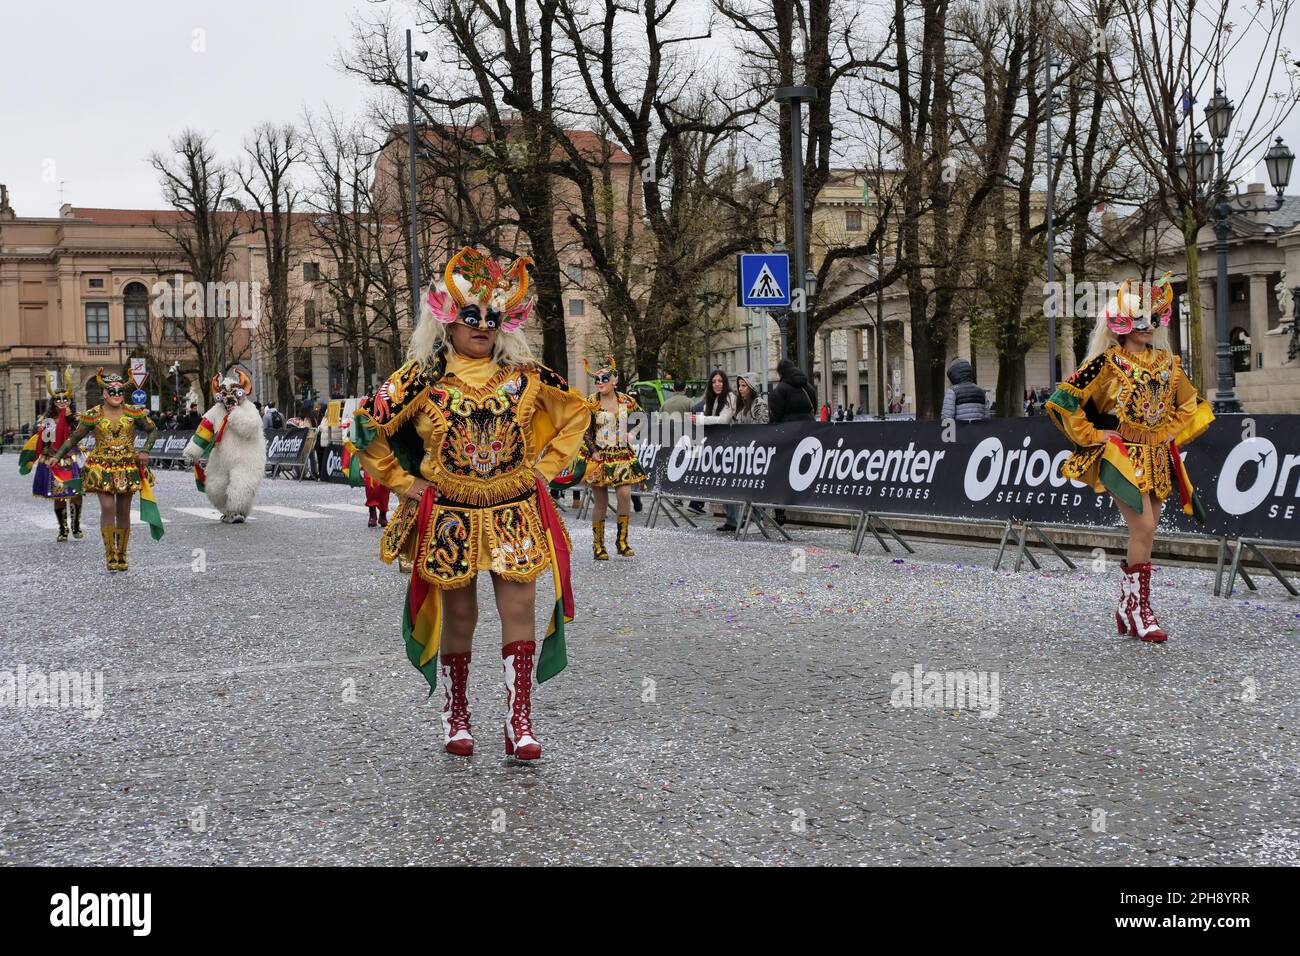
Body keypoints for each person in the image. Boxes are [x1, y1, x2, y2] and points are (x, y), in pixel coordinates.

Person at [353, 247, 591, 760]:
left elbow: (577, 415)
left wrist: (543, 472)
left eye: (491, 318)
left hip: (513, 508)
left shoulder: (527, 376)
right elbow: (364, 429)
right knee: (460, 616)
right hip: (450, 515)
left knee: (520, 605)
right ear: (446, 320)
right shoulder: (419, 378)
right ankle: (457, 714)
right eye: (470, 317)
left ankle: (518, 720)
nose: (481, 326)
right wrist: (404, 483)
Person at [1045, 276, 1214, 643]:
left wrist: (1173, 431)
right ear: (1121, 322)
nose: (1149, 326)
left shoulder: (1169, 362)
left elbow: (1191, 404)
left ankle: (1129, 607)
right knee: (1145, 528)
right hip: (1123, 457)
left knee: (1149, 526)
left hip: (1157, 455)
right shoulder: (1107, 362)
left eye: (1154, 318)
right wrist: (1094, 435)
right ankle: (1138, 611)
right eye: (1141, 319)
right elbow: (1064, 399)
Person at [51, 368, 163, 571]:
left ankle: (122, 554)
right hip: (101, 467)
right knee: (108, 507)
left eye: (120, 391)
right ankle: (109, 553)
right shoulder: (94, 414)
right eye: (112, 392)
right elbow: (74, 437)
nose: (116, 395)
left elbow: (153, 429)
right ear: (104, 394)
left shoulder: (133, 412)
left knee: (124, 511)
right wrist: (58, 456)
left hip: (127, 465)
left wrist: (145, 450)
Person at [581, 355, 648, 558]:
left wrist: (633, 433)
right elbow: (584, 429)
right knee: (600, 501)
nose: (600, 383)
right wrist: (593, 450)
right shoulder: (590, 403)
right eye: (597, 380)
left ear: (614, 381)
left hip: (621, 454)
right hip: (600, 455)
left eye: (604, 379)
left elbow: (642, 418)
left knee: (625, 495)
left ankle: (622, 541)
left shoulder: (627, 401)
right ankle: (598, 545)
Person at [182, 366, 266, 524]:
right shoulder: (215, 411)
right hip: (221, 456)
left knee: (242, 484)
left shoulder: (249, 409)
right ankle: (227, 510)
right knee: (215, 487)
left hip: (247, 456)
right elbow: (204, 430)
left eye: (233, 394)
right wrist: (194, 451)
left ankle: (237, 511)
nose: (229, 399)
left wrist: (235, 413)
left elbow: (251, 427)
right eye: (225, 395)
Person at [18, 366, 84, 542]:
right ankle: (62, 529)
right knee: (59, 496)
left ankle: (76, 525)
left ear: (70, 401)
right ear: (53, 403)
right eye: (58, 399)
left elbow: (81, 434)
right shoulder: (45, 421)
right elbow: (40, 440)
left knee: (76, 495)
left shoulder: (77, 419)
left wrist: (70, 419)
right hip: (53, 461)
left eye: (66, 399)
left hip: (72, 460)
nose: (62, 402)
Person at [692, 370, 740, 532]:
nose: (717, 384)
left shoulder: (730, 397)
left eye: (720, 381)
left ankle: (738, 519)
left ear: (725, 382)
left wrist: (700, 419)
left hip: (730, 446)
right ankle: (731, 519)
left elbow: (723, 419)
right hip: (716, 446)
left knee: (731, 484)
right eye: (714, 381)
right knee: (722, 485)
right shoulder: (710, 400)